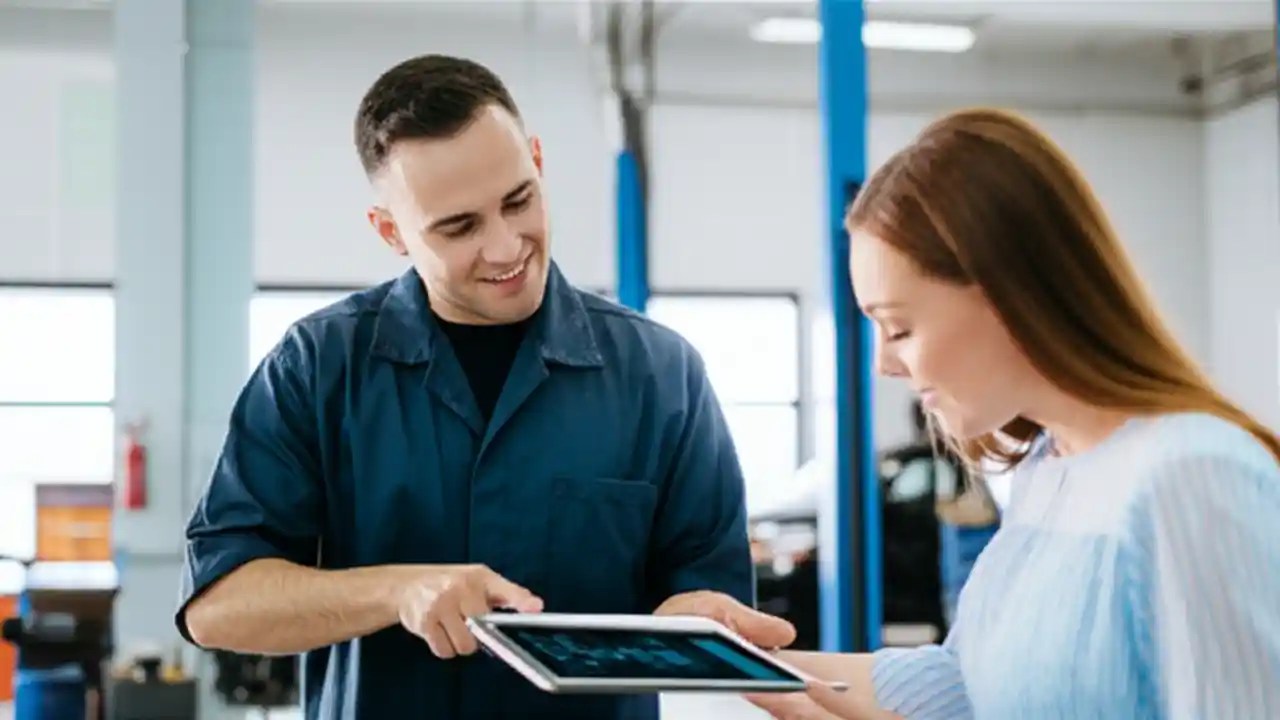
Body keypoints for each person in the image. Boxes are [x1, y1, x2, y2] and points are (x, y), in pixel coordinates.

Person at [174, 54, 792, 720]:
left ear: (536, 160)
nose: (505, 248)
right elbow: (219, 604)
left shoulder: (661, 375)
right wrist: (396, 593)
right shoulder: (318, 367)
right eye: (459, 227)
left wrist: (694, 621)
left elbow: (705, 595)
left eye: (519, 201)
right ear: (391, 232)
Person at [689, 108, 1280, 719]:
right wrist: (726, 660)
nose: (885, 365)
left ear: (1007, 292)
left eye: (899, 327)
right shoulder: (1048, 470)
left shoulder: (1192, 473)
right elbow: (968, 685)